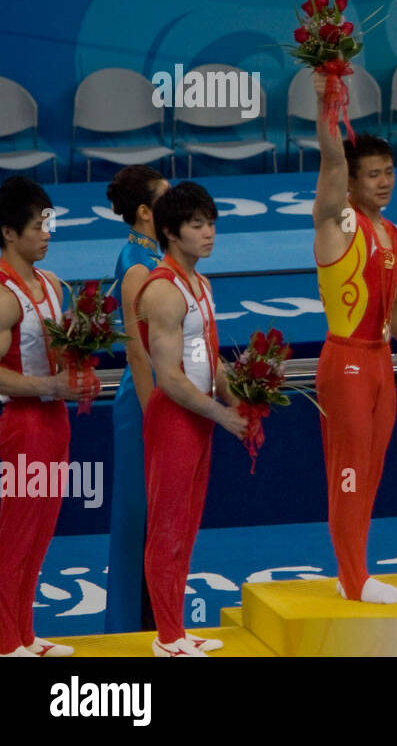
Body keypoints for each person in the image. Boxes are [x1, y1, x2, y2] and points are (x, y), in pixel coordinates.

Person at [312, 76, 397, 605]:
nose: (384, 182)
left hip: (382, 360)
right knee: (348, 470)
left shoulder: (392, 233)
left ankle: (353, 571)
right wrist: (327, 104)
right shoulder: (338, 224)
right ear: (352, 184)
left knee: (370, 471)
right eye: (373, 175)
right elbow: (330, 166)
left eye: (388, 173)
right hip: (346, 361)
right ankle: (354, 579)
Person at [136, 182, 246, 657]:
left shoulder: (200, 284)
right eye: (197, 225)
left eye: (211, 223)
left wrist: (239, 396)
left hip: (199, 412)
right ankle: (166, 638)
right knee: (167, 527)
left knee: (187, 527)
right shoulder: (162, 291)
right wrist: (221, 415)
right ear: (169, 232)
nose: (209, 233)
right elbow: (168, 379)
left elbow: (208, 359)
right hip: (176, 417)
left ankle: (177, 628)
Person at [0, 177, 92, 657]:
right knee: (14, 534)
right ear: (9, 233)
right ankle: (3, 640)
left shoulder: (54, 285)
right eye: (38, 226)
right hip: (23, 424)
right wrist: (48, 387)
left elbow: (66, 351)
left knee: (40, 533)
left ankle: (26, 634)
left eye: (49, 223)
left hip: (56, 421)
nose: (47, 233)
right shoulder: (3, 295)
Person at [104, 165, 168, 635]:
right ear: (145, 211)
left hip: (155, 396)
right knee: (139, 518)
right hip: (143, 403)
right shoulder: (139, 264)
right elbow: (134, 346)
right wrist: (155, 414)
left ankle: (157, 621)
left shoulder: (147, 256)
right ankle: (133, 626)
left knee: (160, 516)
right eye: (166, 198)